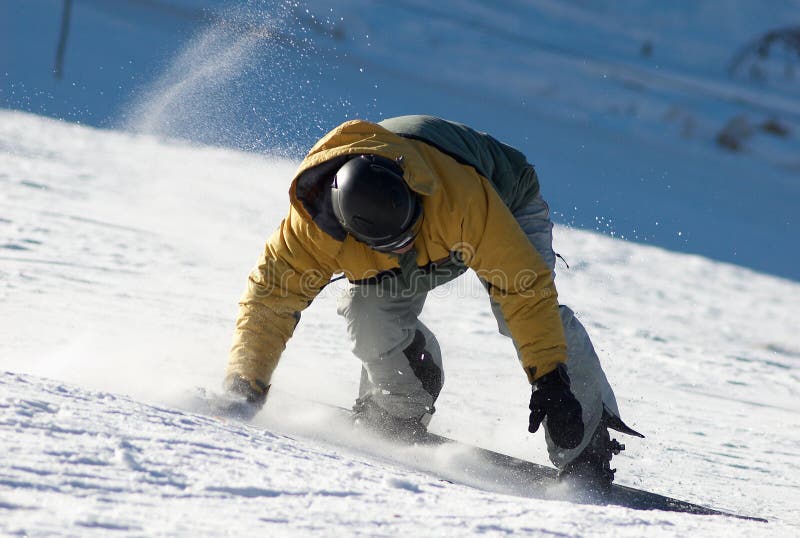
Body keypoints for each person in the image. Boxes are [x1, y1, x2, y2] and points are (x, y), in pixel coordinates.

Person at [223, 115, 642, 491]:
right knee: (366, 311)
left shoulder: (458, 201)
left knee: (522, 315)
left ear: (409, 192)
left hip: (502, 202)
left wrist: (549, 378)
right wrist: (246, 382)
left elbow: (525, 291)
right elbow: (269, 302)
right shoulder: (311, 230)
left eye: (408, 231)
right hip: (398, 244)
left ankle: (586, 444)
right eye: (395, 241)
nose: (405, 245)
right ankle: (399, 403)